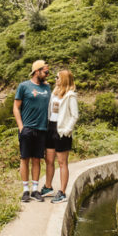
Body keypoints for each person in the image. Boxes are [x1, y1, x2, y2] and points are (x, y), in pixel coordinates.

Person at [13, 59, 51, 202]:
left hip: (42, 129)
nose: (47, 74)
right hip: (27, 128)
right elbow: (16, 107)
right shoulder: (23, 86)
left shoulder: (47, 88)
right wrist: (21, 127)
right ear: (37, 71)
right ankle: (25, 190)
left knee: (37, 159)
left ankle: (35, 189)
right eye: (45, 72)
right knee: (25, 159)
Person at [42, 69, 79, 203]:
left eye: (57, 77)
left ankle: (62, 192)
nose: (55, 79)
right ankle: (48, 186)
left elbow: (75, 115)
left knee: (62, 163)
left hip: (62, 130)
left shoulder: (70, 95)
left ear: (63, 79)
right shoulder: (54, 93)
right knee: (49, 160)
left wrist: (67, 130)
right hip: (51, 128)